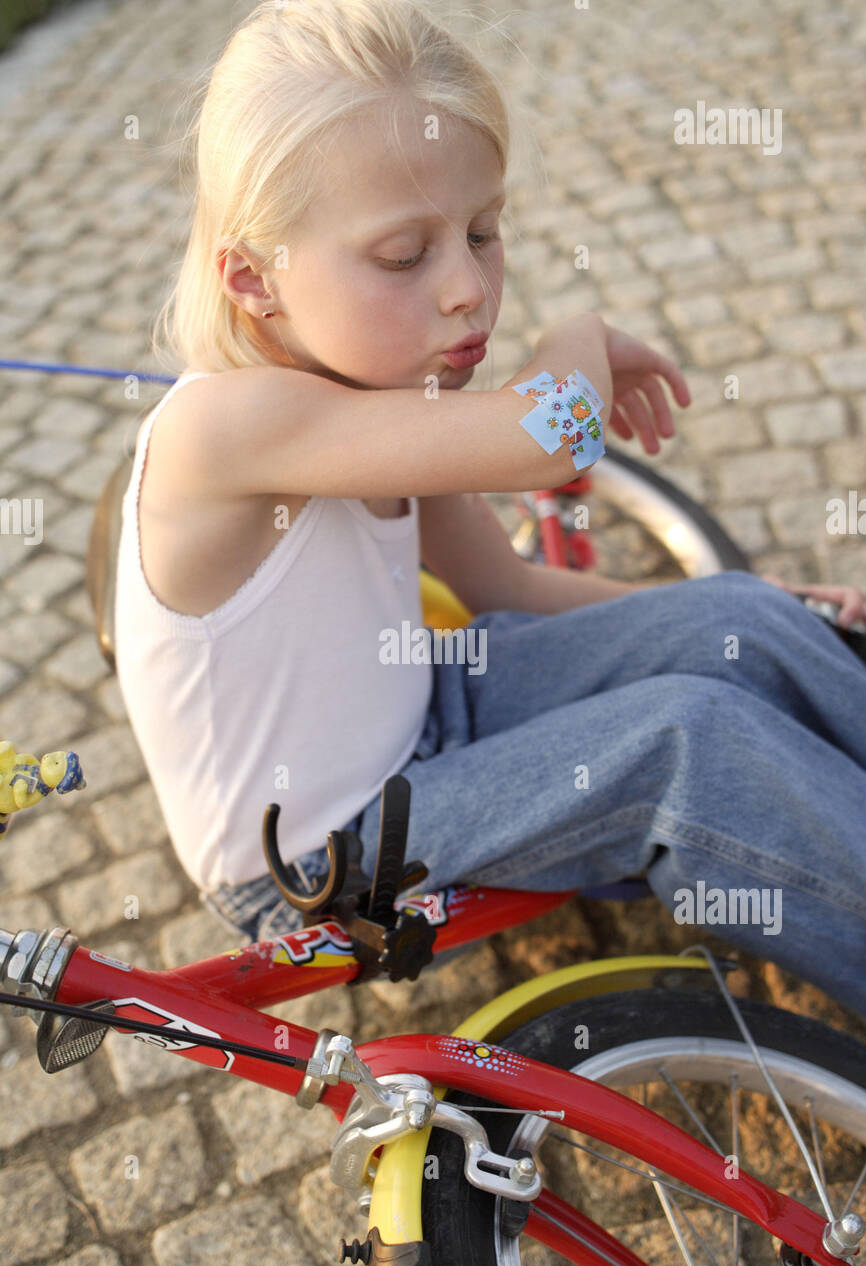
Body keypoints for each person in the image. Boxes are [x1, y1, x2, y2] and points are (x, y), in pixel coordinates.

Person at [114, 0, 866, 1016]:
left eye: (481, 231)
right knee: (686, 743)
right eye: (402, 255)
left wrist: (763, 605)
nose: (467, 287)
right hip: (311, 860)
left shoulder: (381, 398)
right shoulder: (228, 429)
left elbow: (499, 583)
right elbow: (549, 433)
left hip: (428, 711)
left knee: (728, 619)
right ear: (255, 279)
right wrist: (580, 329)